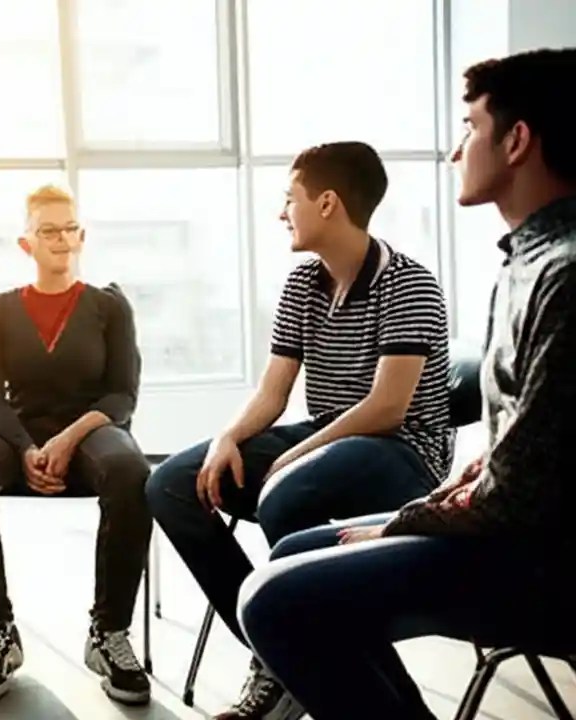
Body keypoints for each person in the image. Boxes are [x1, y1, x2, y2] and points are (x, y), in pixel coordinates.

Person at [238, 47, 576, 720]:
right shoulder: (525, 262)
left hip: (544, 560)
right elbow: (519, 447)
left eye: (469, 128)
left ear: (516, 141)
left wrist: (400, 521)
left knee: (275, 600)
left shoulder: (563, 275)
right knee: (293, 549)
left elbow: (522, 495)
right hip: (513, 529)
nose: (455, 152)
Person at [145, 141, 453, 718]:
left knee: (288, 496)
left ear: (329, 203)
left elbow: (387, 408)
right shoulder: (302, 283)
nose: (282, 212)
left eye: (290, 199)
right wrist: (227, 438)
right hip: (329, 436)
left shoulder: (409, 281)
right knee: (169, 485)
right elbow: (273, 390)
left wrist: (296, 456)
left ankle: (299, 652)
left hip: (404, 452)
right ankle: (281, 656)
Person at [0, 184, 152, 705]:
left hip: (92, 433)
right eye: (48, 230)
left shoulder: (109, 307)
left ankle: (109, 633)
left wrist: (67, 438)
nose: (61, 239)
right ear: (25, 243)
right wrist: (25, 447)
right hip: (16, 434)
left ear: (81, 236)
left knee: (131, 471)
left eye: (69, 228)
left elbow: (122, 396)